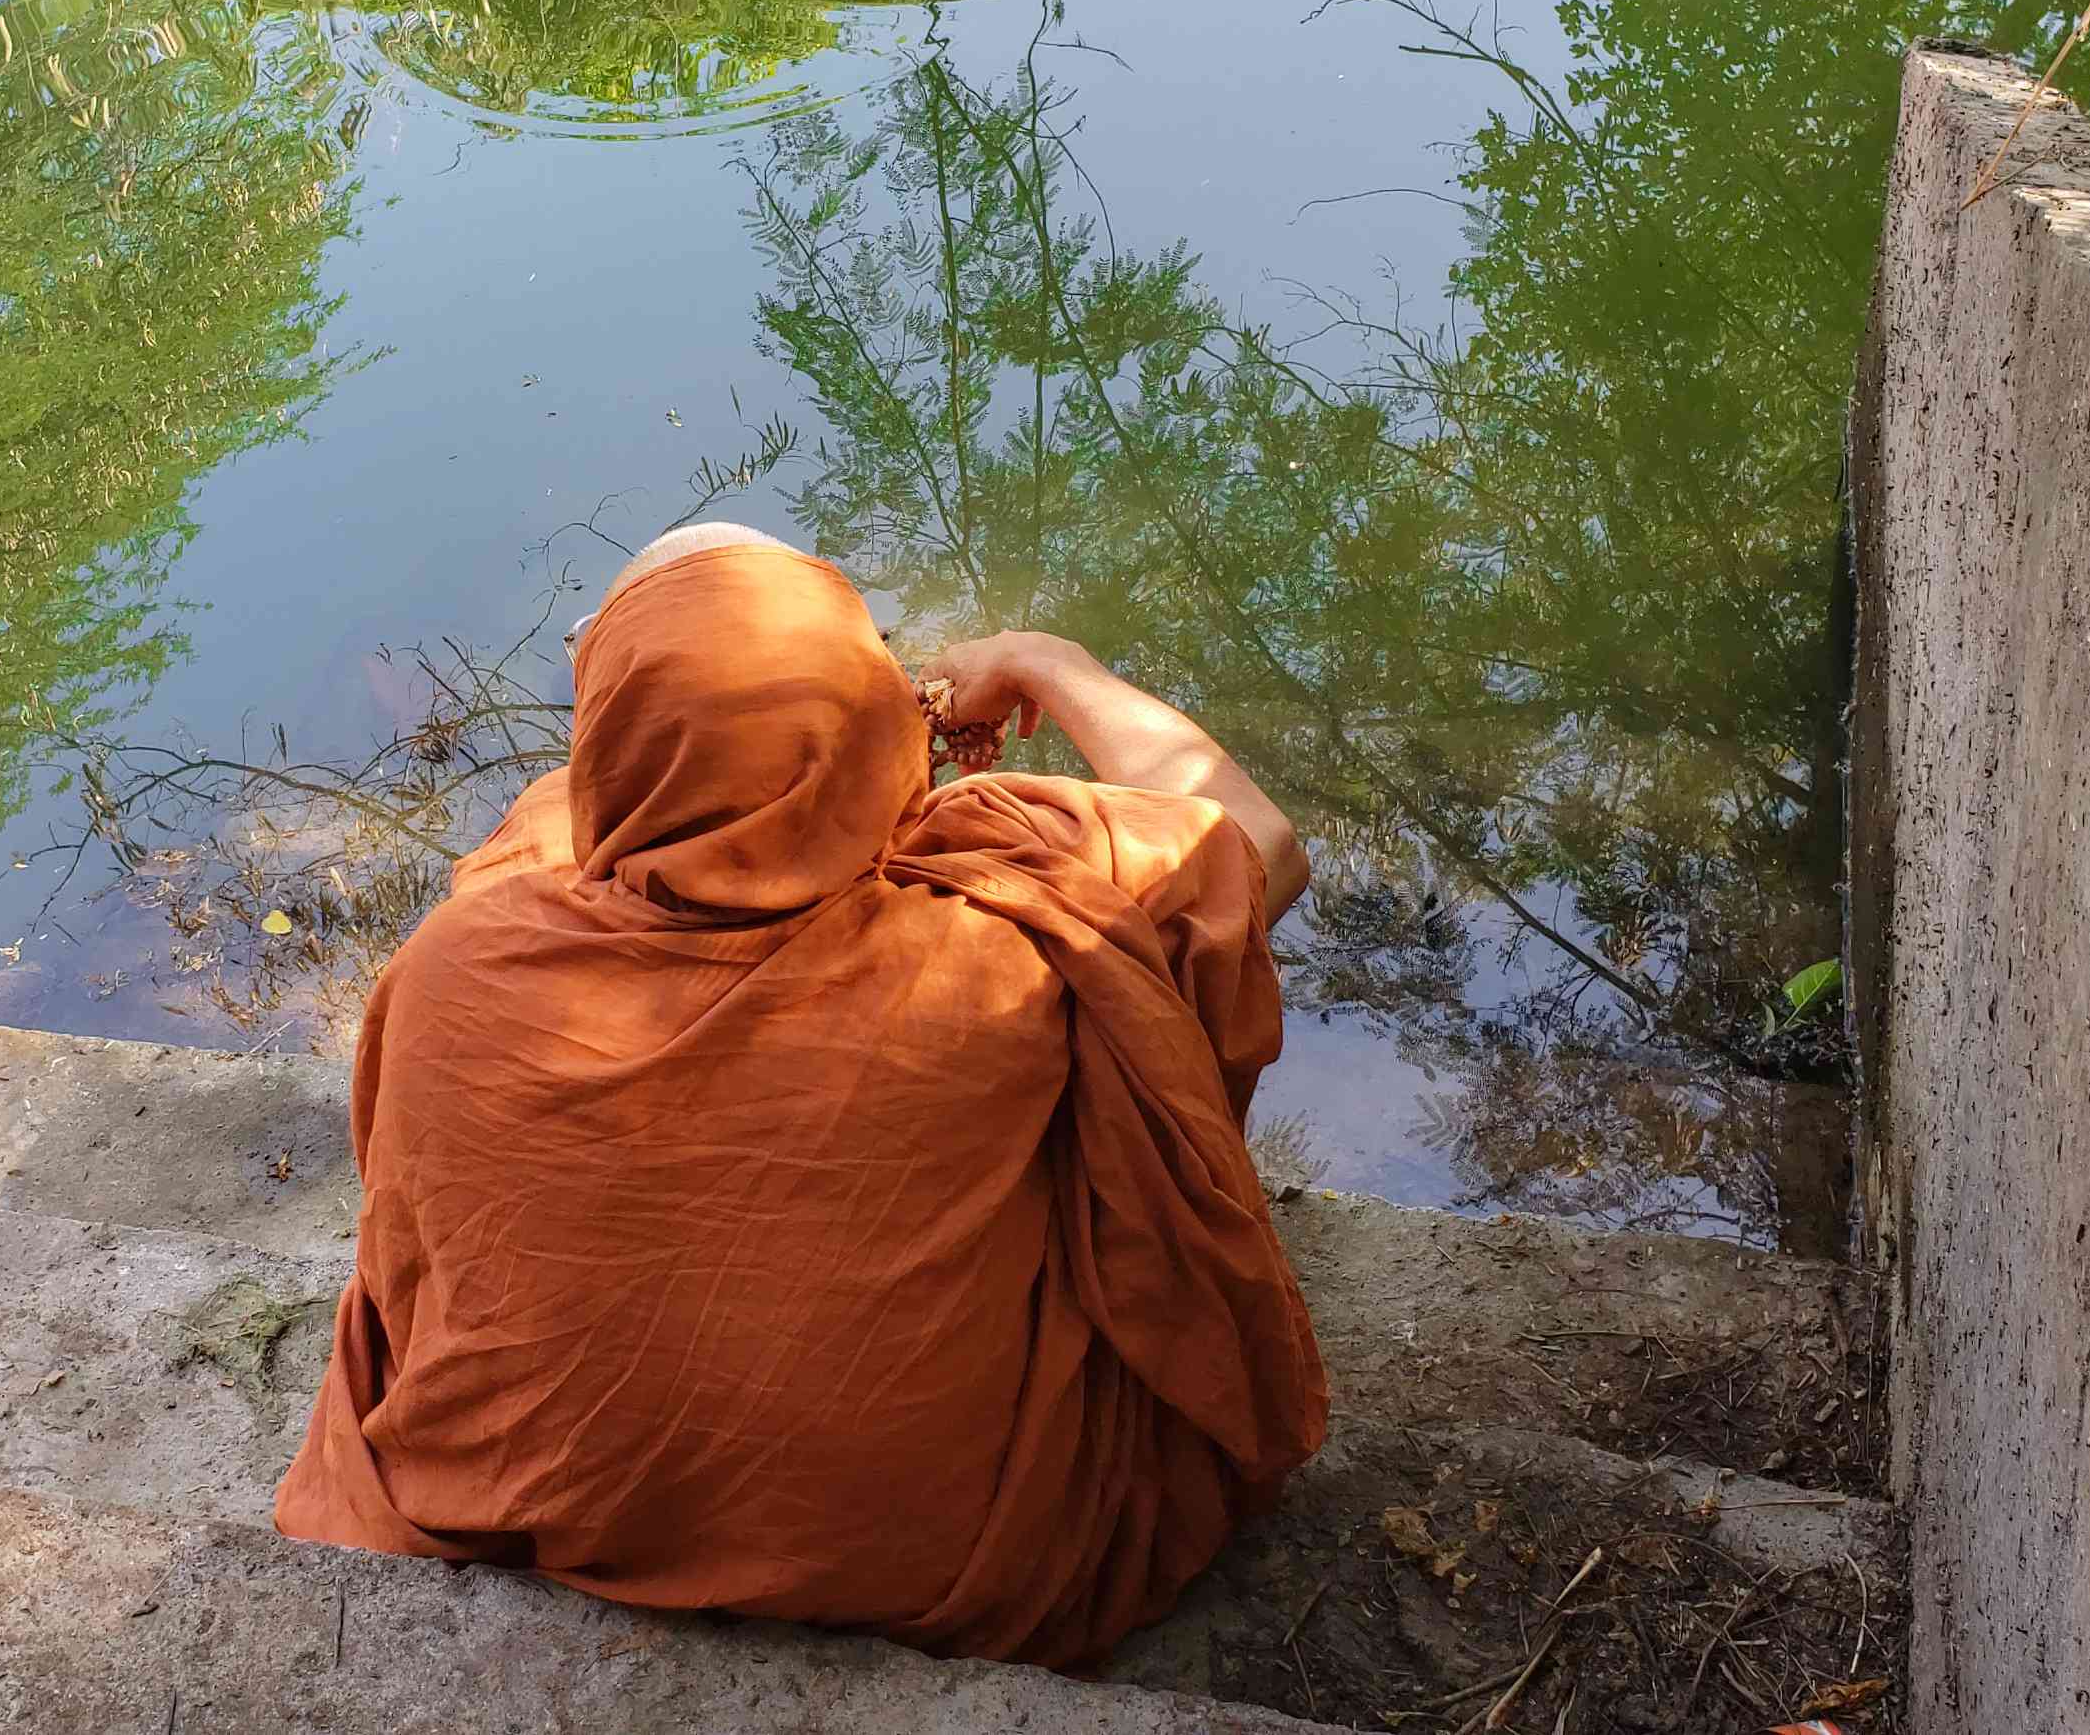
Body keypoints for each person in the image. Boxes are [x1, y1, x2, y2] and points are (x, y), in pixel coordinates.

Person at [273, 524, 1327, 1669]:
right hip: (955, 1563)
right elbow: (1259, 842)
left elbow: (417, 1228)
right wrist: (1042, 661)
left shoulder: (459, 961)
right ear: (870, 714)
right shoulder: (1016, 938)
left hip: (531, 1504)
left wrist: (640, 693)